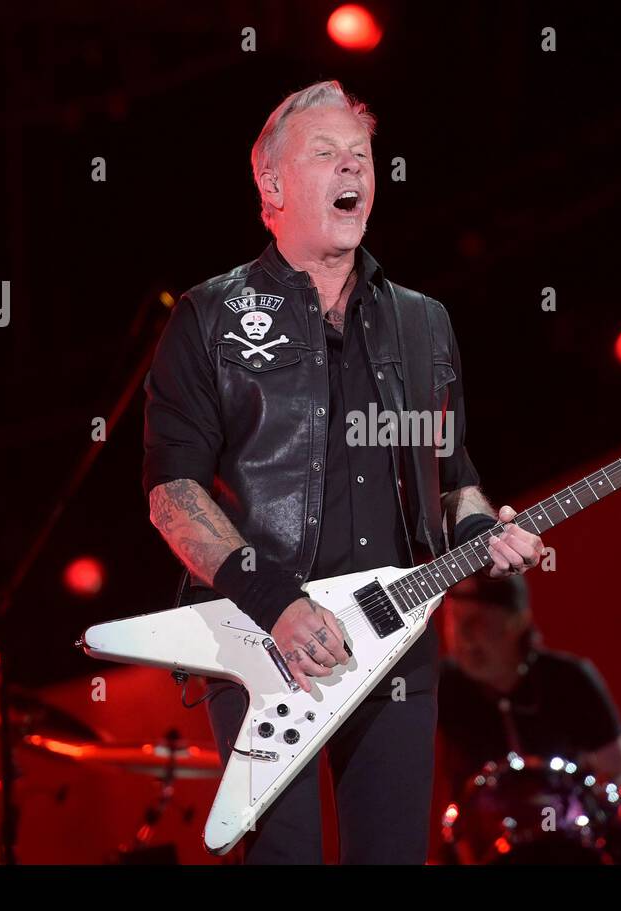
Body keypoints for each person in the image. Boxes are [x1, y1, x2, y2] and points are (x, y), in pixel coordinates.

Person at [142, 80, 543, 864]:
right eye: (323, 153)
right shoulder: (208, 317)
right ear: (272, 185)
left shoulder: (424, 321)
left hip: (395, 637)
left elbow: (453, 473)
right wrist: (278, 603)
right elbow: (173, 494)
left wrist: (479, 527)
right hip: (263, 635)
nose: (349, 167)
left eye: (359, 154)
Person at [437, 574, 621, 796]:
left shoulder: (570, 680)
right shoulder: (439, 685)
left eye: (477, 621)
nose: (463, 637)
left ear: (518, 622)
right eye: (453, 619)